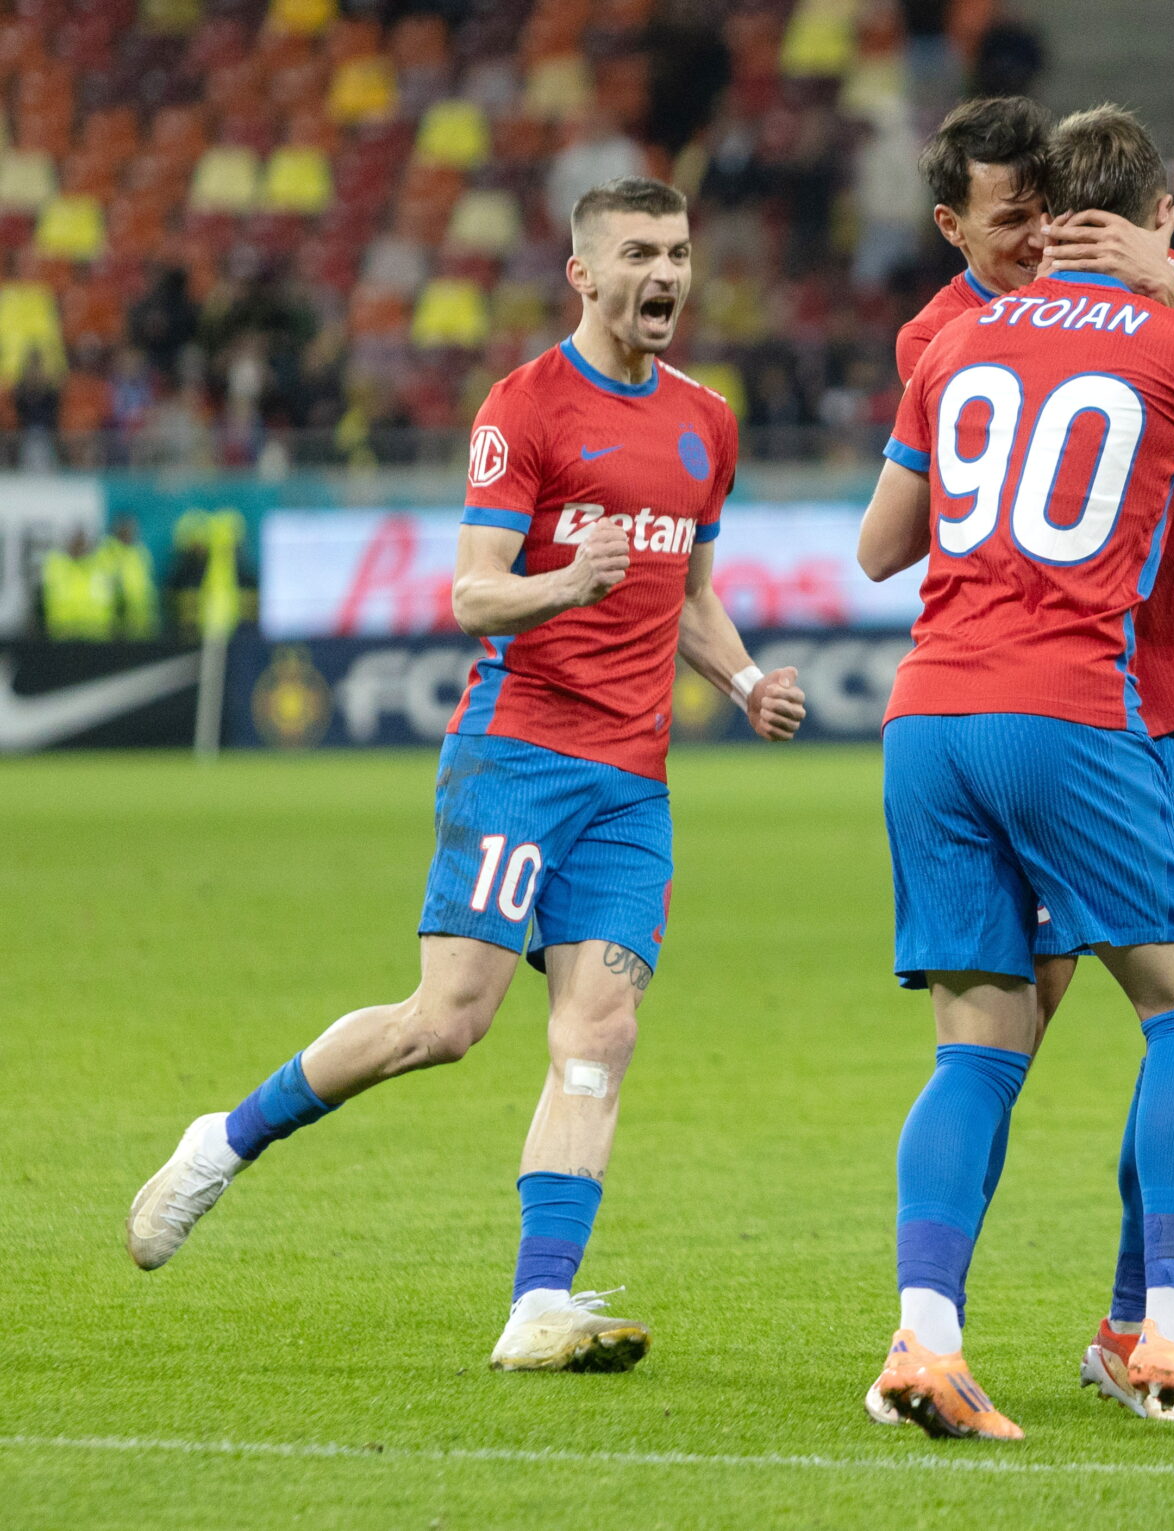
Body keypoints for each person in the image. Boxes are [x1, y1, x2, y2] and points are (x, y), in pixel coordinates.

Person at [122, 177, 808, 1375]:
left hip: (628, 785)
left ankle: (538, 1305)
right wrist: (565, 586)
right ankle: (223, 1140)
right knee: (446, 1022)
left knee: (602, 1028)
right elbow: (472, 590)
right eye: (641, 252)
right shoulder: (527, 407)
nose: (667, 274)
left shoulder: (708, 422)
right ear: (584, 274)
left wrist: (745, 683)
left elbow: (688, 595)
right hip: (518, 753)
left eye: (681, 252)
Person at [854, 104, 1174, 1440]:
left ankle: (991, 1331)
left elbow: (882, 542)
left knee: (995, 1033)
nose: (1020, 232)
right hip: (1080, 700)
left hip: (1016, 703)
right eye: (1001, 216)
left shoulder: (955, 348)